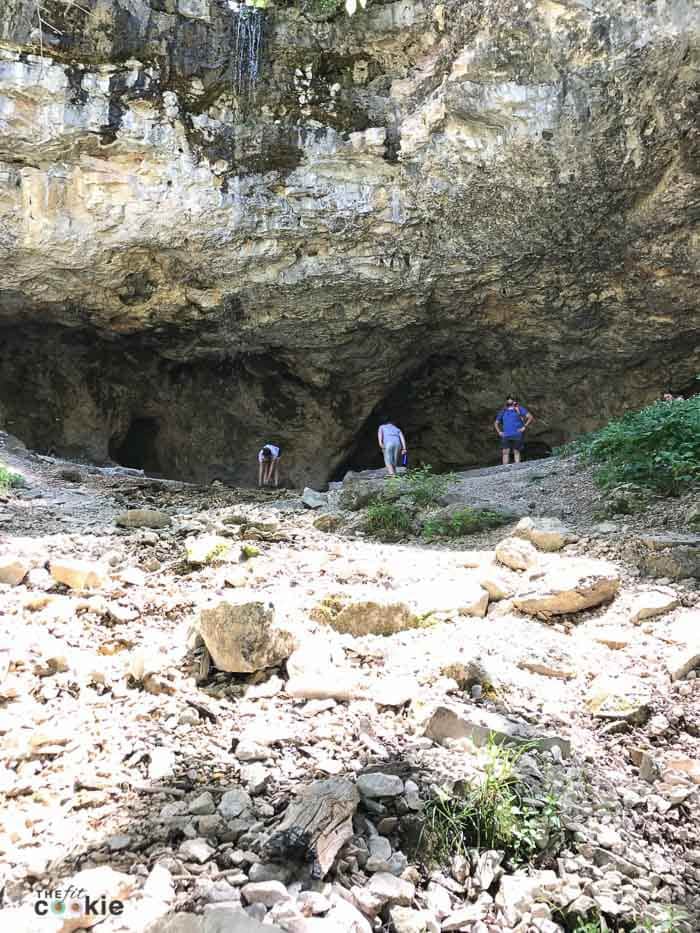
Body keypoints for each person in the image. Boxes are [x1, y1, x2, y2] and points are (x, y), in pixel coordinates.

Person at [494, 396, 534, 465]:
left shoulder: (519, 409)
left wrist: (524, 427)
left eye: (511, 399)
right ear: (506, 401)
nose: (509, 400)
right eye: (508, 399)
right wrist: (499, 432)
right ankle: (504, 468)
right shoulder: (503, 411)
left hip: (517, 434)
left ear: (514, 401)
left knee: (516, 451)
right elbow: (496, 423)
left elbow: (530, 417)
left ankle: (517, 468)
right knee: (505, 452)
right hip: (506, 435)